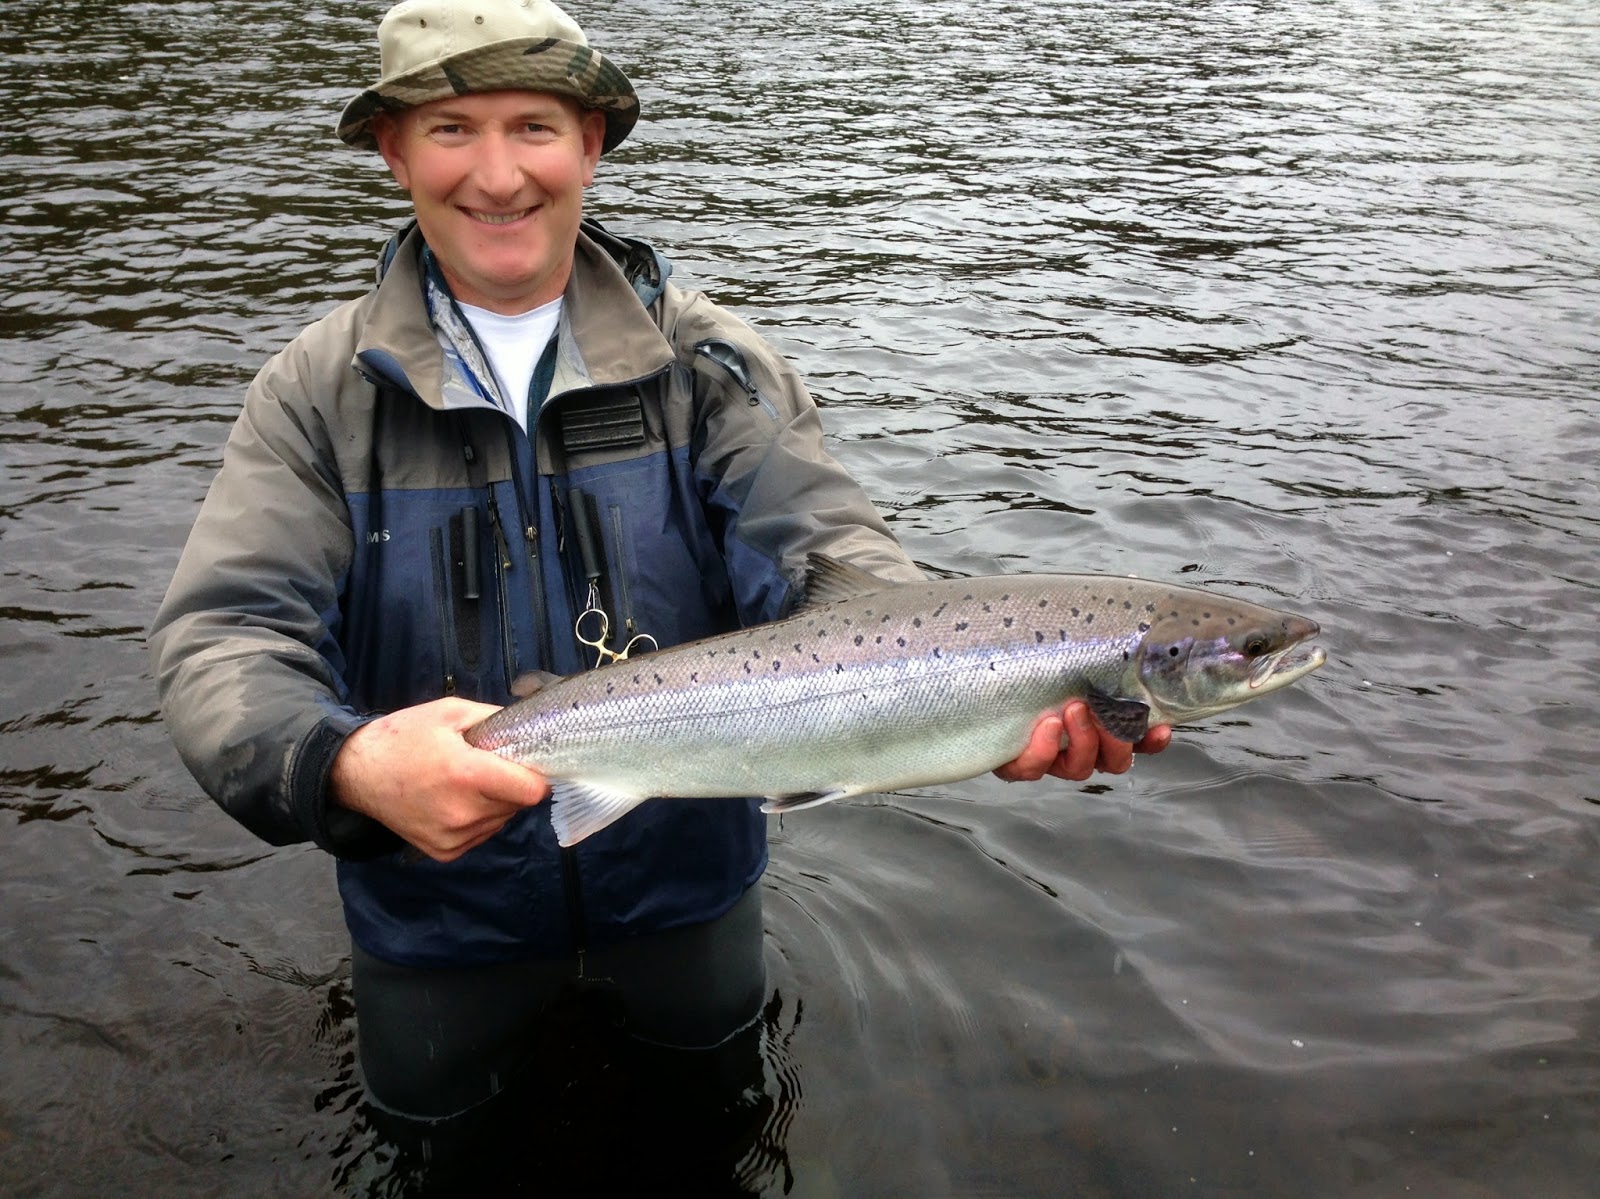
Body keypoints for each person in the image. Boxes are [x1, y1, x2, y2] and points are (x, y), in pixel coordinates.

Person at [148, 0, 1169, 1178]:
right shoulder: (313, 396)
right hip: (434, 919)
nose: (495, 175)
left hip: (688, 896)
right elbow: (221, 641)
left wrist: (967, 693)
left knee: (711, 1139)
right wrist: (344, 763)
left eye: (533, 126)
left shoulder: (713, 367)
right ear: (392, 151)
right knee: (434, 1157)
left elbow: (829, 554)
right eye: (448, 129)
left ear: (591, 141)